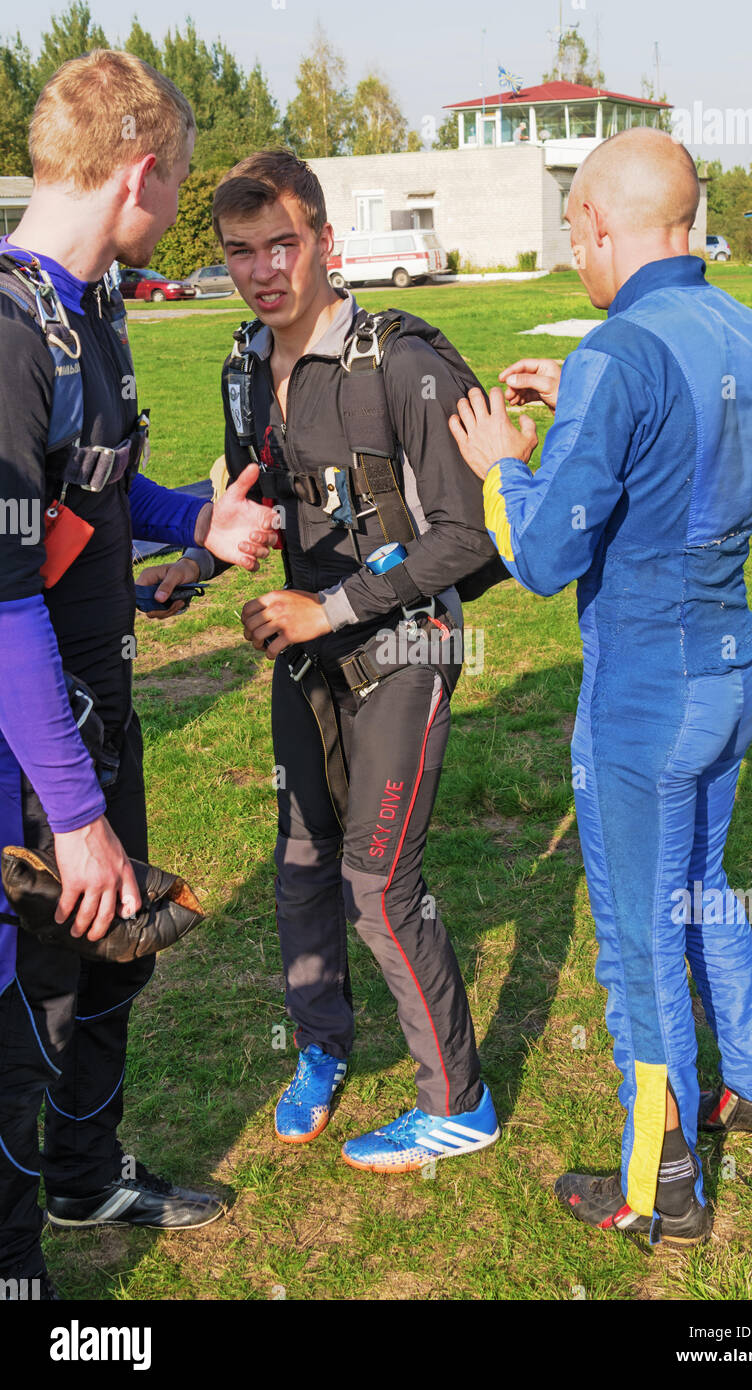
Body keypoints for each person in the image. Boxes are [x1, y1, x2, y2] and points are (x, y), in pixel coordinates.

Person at [448, 127, 752, 1246]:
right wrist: (588, 407)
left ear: (601, 223)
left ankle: (664, 1183)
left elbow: (547, 555)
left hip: (646, 693)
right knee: (703, 886)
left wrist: (507, 459)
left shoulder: (618, 352)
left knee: (638, 936)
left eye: (573, 231)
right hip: (732, 667)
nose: (573, 252)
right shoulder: (746, 328)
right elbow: (694, 438)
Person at [150, 150, 502, 1173]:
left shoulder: (404, 360)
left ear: (325, 244)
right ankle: (319, 1045)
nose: (262, 272)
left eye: (281, 246)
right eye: (238, 253)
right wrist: (196, 562)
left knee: (379, 880)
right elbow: (250, 493)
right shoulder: (238, 362)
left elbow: (467, 537)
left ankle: (459, 1104)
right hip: (304, 658)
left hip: (400, 646)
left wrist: (331, 605)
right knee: (302, 866)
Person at [0, 50, 278, 1299]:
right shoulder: (10, 336)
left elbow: (88, 489)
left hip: (95, 717)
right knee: (29, 1010)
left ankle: (84, 1172)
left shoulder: (89, 307)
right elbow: (1, 603)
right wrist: (72, 816)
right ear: (147, 173)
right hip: (25, 762)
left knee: (117, 960)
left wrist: (193, 527)